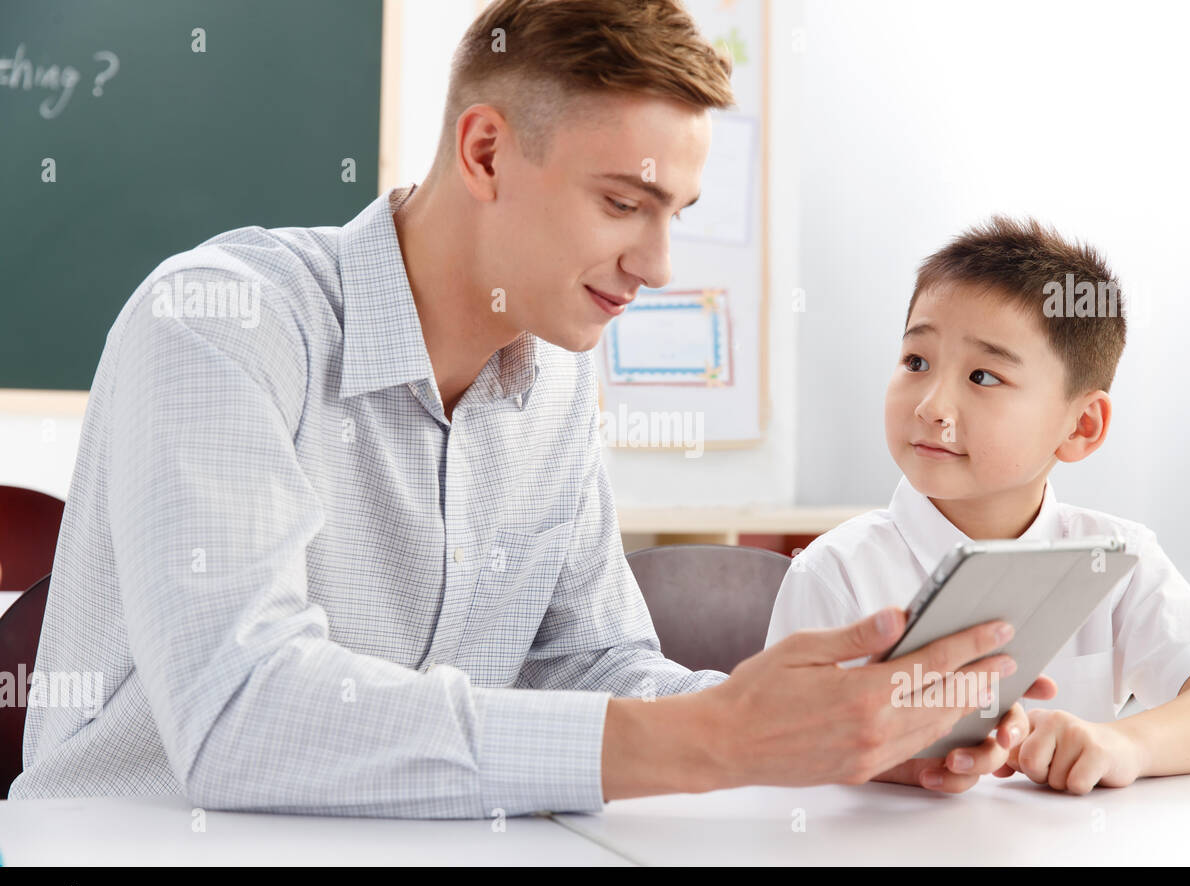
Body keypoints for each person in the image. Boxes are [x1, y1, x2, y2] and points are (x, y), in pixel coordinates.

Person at [10, 0, 1050, 815]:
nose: (656, 265)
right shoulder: (221, 324)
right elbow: (242, 716)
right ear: (484, 152)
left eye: (675, 214)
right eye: (621, 203)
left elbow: (586, 664)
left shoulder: (552, 380)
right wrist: (718, 740)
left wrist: (831, 735)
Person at [765, 216, 1190, 794]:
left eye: (983, 376)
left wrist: (1125, 743)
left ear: (1082, 426)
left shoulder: (1116, 559)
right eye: (916, 362)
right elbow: (778, 754)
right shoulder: (837, 572)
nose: (932, 406)